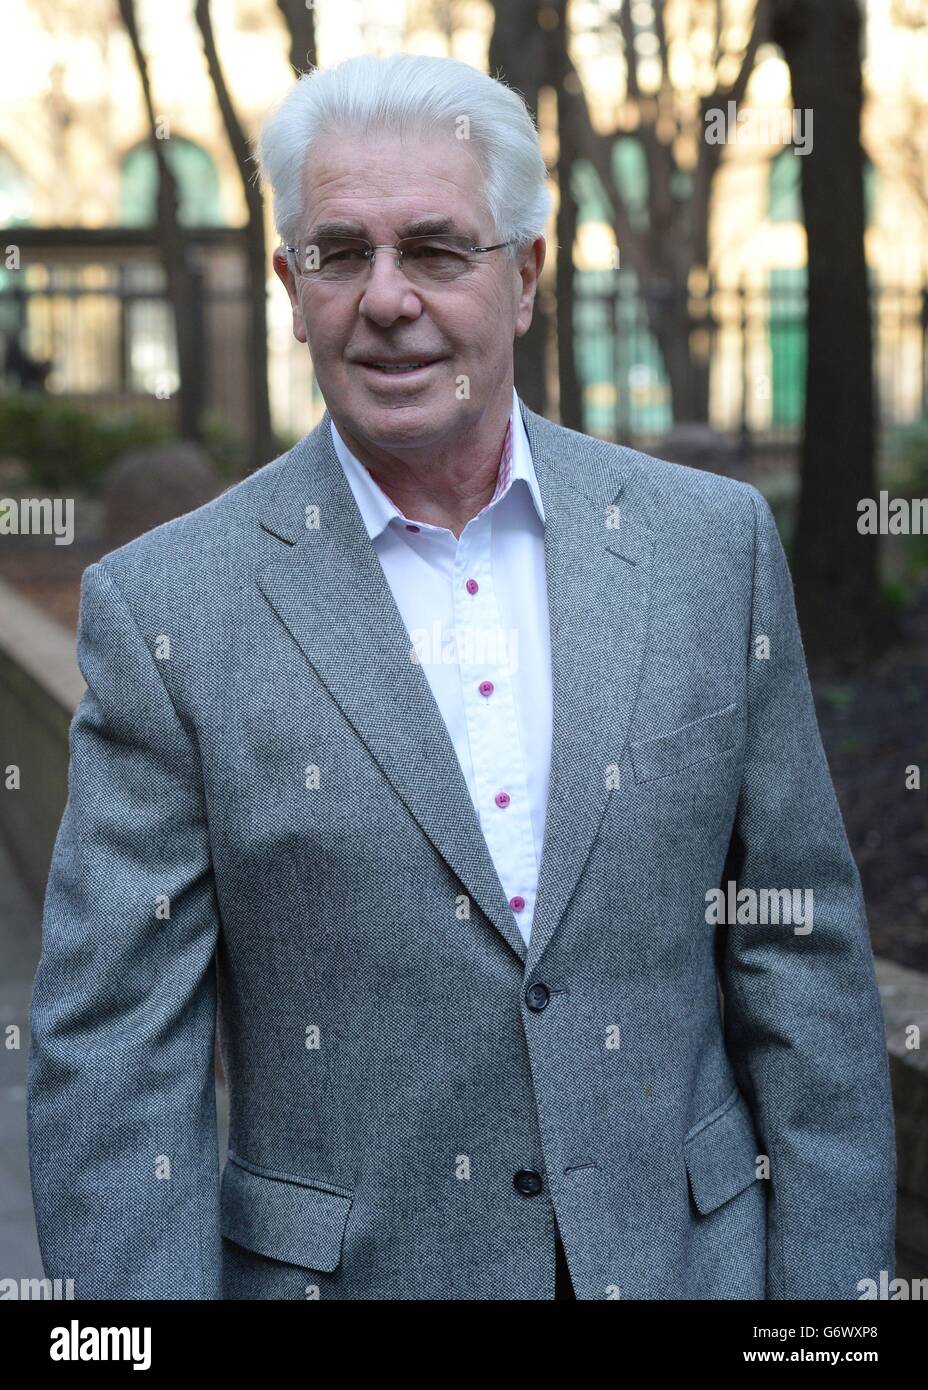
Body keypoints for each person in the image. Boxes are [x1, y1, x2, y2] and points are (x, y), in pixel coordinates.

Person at [27, 51, 895, 1301]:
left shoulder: (710, 553)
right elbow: (114, 1058)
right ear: (289, 286)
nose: (385, 299)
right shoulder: (168, 611)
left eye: (436, 249)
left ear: (527, 275)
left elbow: (799, 959)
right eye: (339, 253)